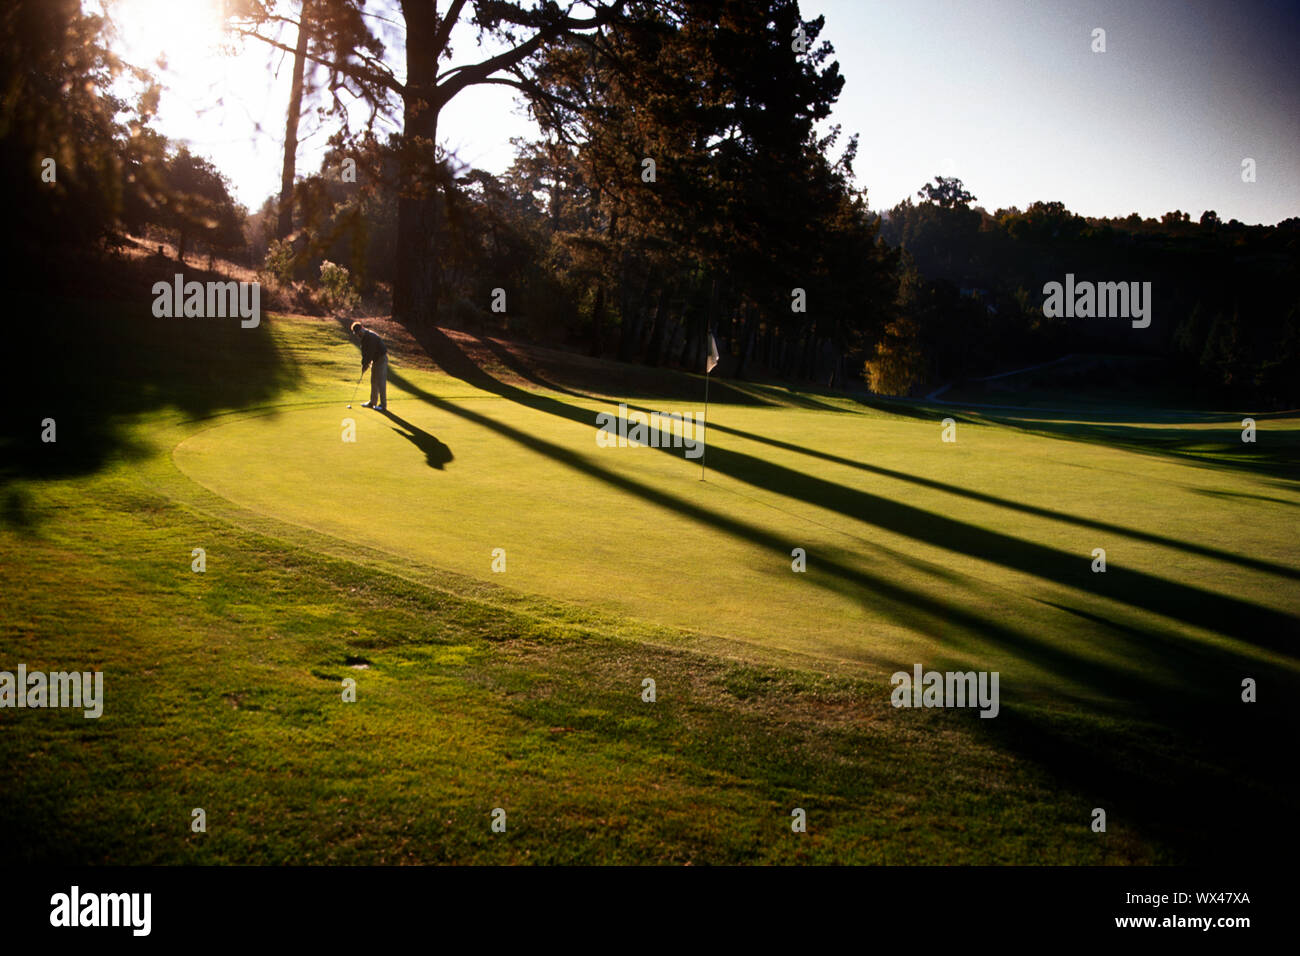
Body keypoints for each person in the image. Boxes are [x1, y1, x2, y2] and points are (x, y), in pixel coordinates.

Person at [351, 321, 388, 410]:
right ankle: (372, 402)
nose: (358, 334)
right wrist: (364, 364)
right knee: (374, 381)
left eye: (359, 332)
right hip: (375, 360)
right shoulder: (364, 337)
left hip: (381, 359)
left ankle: (383, 406)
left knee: (380, 382)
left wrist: (366, 365)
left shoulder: (370, 337)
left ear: (362, 328)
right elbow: (365, 353)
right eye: (356, 333)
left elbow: (370, 353)